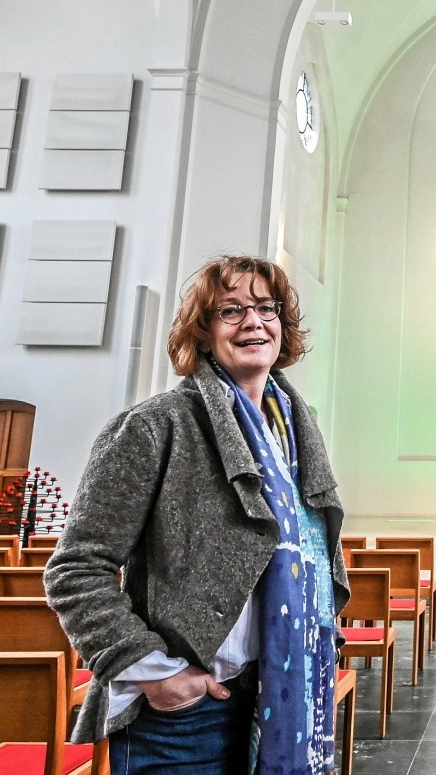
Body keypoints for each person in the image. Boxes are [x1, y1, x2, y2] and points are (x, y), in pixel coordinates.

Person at [46, 255, 349, 775]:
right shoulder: (154, 427)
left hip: (279, 691)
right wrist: (154, 672)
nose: (254, 322)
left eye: (266, 308)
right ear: (204, 333)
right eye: (231, 311)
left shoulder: (297, 436)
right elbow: (75, 569)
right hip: (184, 716)